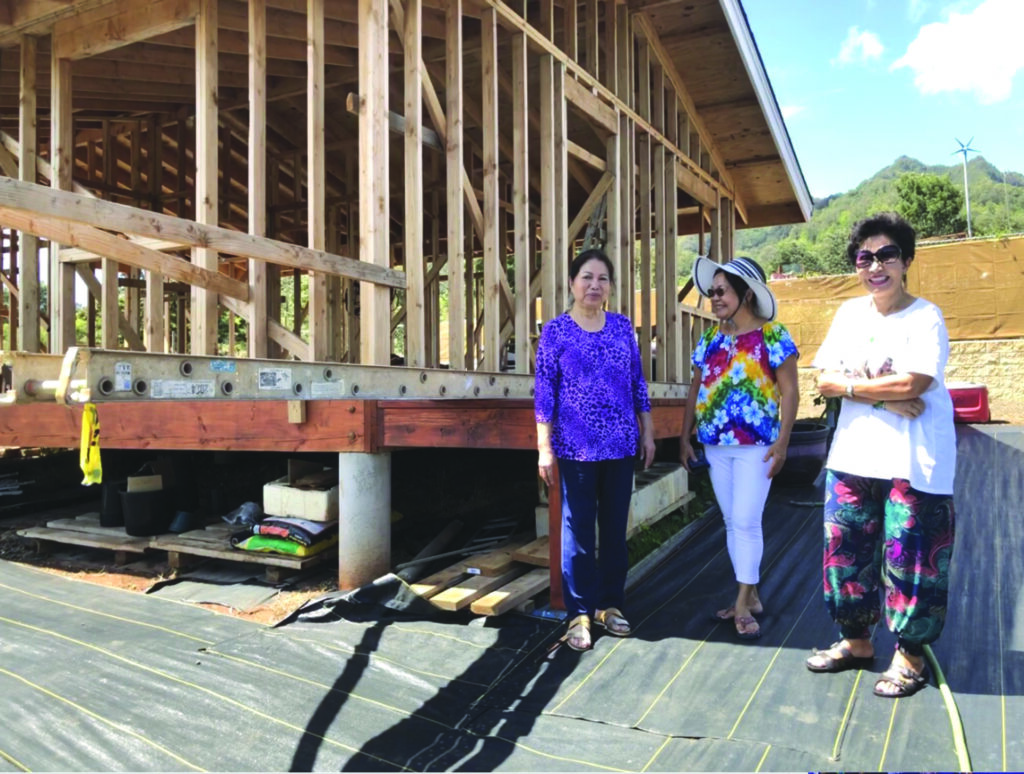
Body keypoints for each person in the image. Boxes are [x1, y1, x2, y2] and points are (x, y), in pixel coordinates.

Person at [805, 212, 956, 699]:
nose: (876, 266)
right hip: (853, 457)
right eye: (865, 257)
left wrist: (855, 388)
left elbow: (916, 382)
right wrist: (883, 397)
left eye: (887, 255)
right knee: (843, 554)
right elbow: (822, 379)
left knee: (912, 558)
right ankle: (856, 641)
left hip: (913, 461)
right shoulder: (849, 314)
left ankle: (909, 655)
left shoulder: (925, 317)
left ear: (906, 260)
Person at [535, 248, 656, 652]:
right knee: (578, 532)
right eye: (587, 277)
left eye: (602, 278)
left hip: (621, 445)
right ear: (572, 283)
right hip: (575, 448)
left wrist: (649, 432)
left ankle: (610, 605)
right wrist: (543, 447)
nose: (594, 285)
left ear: (610, 287)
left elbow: (638, 383)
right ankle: (579, 614)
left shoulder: (622, 327)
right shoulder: (556, 331)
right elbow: (543, 394)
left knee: (615, 531)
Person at [680, 256, 799, 640]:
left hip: (757, 447)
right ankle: (752, 594)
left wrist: (783, 443)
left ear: (745, 294)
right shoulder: (711, 339)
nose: (713, 298)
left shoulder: (773, 336)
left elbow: (790, 391)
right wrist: (685, 436)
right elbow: (696, 388)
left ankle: (743, 603)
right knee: (733, 522)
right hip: (715, 446)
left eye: (721, 291)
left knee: (746, 521)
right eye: (711, 292)